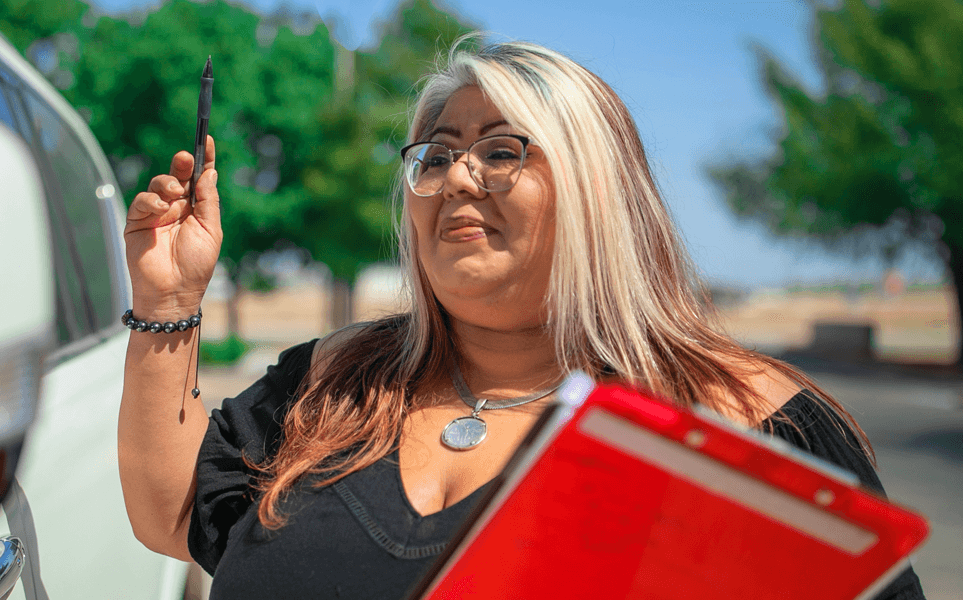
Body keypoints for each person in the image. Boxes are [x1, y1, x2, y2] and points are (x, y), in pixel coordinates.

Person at [117, 40, 925, 599]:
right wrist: (167, 304)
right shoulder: (329, 380)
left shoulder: (746, 418)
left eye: (502, 150)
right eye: (434, 155)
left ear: (597, 192)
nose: (460, 176)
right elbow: (177, 516)